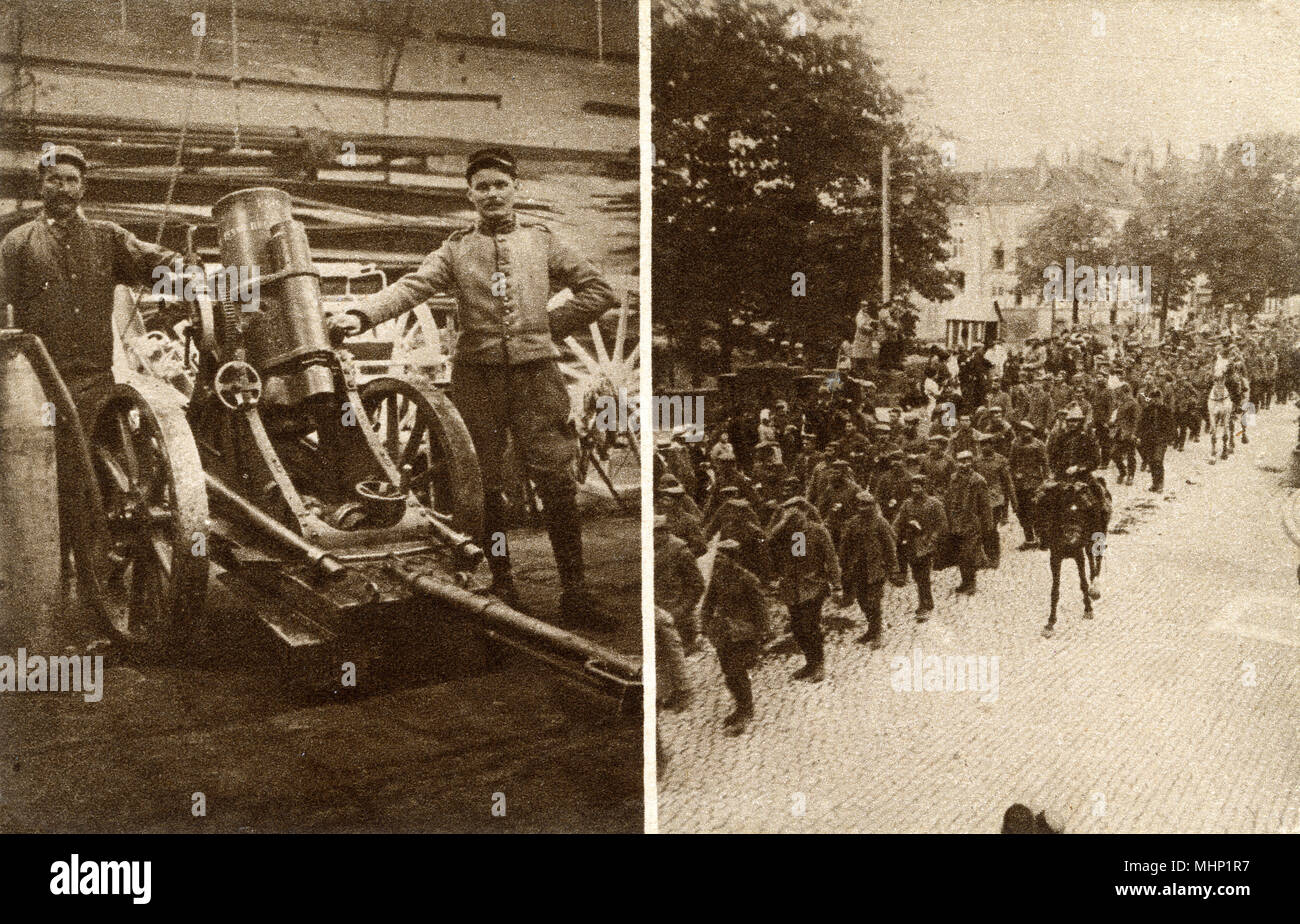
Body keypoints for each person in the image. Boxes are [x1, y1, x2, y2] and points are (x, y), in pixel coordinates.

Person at [330, 147, 619, 627]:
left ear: (515, 190)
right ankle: (503, 582)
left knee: (557, 484)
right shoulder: (455, 249)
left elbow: (599, 291)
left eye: (500, 185)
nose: (492, 194)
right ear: (470, 194)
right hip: (477, 380)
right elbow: (411, 286)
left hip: (537, 379)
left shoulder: (542, 241)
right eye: (482, 187)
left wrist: (546, 327)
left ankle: (575, 590)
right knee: (485, 487)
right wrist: (361, 314)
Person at [0, 145, 190, 621]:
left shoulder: (107, 237)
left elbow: (156, 262)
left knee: (100, 490)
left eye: (71, 180)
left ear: (82, 186)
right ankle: (44, 596)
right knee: (41, 490)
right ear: (40, 185)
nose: (62, 188)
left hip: (95, 387)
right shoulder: (17, 243)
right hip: (35, 388)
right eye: (53, 180)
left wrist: (184, 268)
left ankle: (100, 599)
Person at [698, 537, 769, 735]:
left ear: (734, 558)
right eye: (718, 557)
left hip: (743, 634)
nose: (719, 561)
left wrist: (763, 634)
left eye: (723, 557)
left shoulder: (748, 580)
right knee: (729, 674)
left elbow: (761, 609)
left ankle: (746, 711)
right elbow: (708, 603)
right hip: (723, 633)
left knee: (738, 672)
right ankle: (740, 705)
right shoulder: (718, 577)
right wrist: (704, 626)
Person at [768, 498, 840, 682]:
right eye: (789, 514)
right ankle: (810, 662)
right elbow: (768, 542)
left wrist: (837, 584)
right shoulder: (787, 532)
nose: (792, 517)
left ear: (805, 512)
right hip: (793, 589)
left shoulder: (817, 531)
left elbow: (831, 558)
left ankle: (819, 664)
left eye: (795, 513)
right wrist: (782, 524)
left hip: (813, 586)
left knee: (810, 626)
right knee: (797, 628)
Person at [837, 490, 897, 648]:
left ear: (873, 506)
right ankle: (871, 628)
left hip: (876, 567)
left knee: (874, 601)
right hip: (858, 568)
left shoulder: (880, 522)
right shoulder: (852, 523)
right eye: (861, 505)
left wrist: (892, 568)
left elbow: (890, 545)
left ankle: (876, 632)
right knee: (862, 600)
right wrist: (843, 565)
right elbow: (845, 546)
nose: (863, 508)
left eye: (867, 505)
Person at [893, 474, 947, 619]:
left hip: (926, 545)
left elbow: (942, 526)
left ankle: (925, 606)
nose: (915, 489)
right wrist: (893, 535)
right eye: (913, 487)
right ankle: (925, 603)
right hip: (911, 544)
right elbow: (898, 521)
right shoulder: (907, 504)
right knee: (917, 575)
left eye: (918, 487)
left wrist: (932, 540)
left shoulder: (934, 504)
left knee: (923, 576)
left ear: (925, 487)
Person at [945, 449, 992, 595]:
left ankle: (971, 583)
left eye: (967, 461)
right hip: (956, 522)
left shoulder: (978, 480)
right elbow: (949, 499)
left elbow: (985, 505)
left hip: (972, 522)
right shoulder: (953, 478)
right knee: (960, 554)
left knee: (969, 554)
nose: (964, 464)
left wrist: (987, 525)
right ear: (957, 463)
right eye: (961, 461)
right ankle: (965, 581)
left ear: (971, 462)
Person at [1008, 421, 1049, 549]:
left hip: (1035, 483)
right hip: (1019, 484)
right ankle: (1029, 539)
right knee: (1021, 511)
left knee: (1037, 511)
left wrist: (1046, 481)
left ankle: (1041, 539)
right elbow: (1011, 463)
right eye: (1023, 431)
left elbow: (1045, 464)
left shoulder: (1038, 444)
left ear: (1032, 432)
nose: (1025, 434)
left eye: (1028, 431)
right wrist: (1015, 474)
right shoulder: (1015, 444)